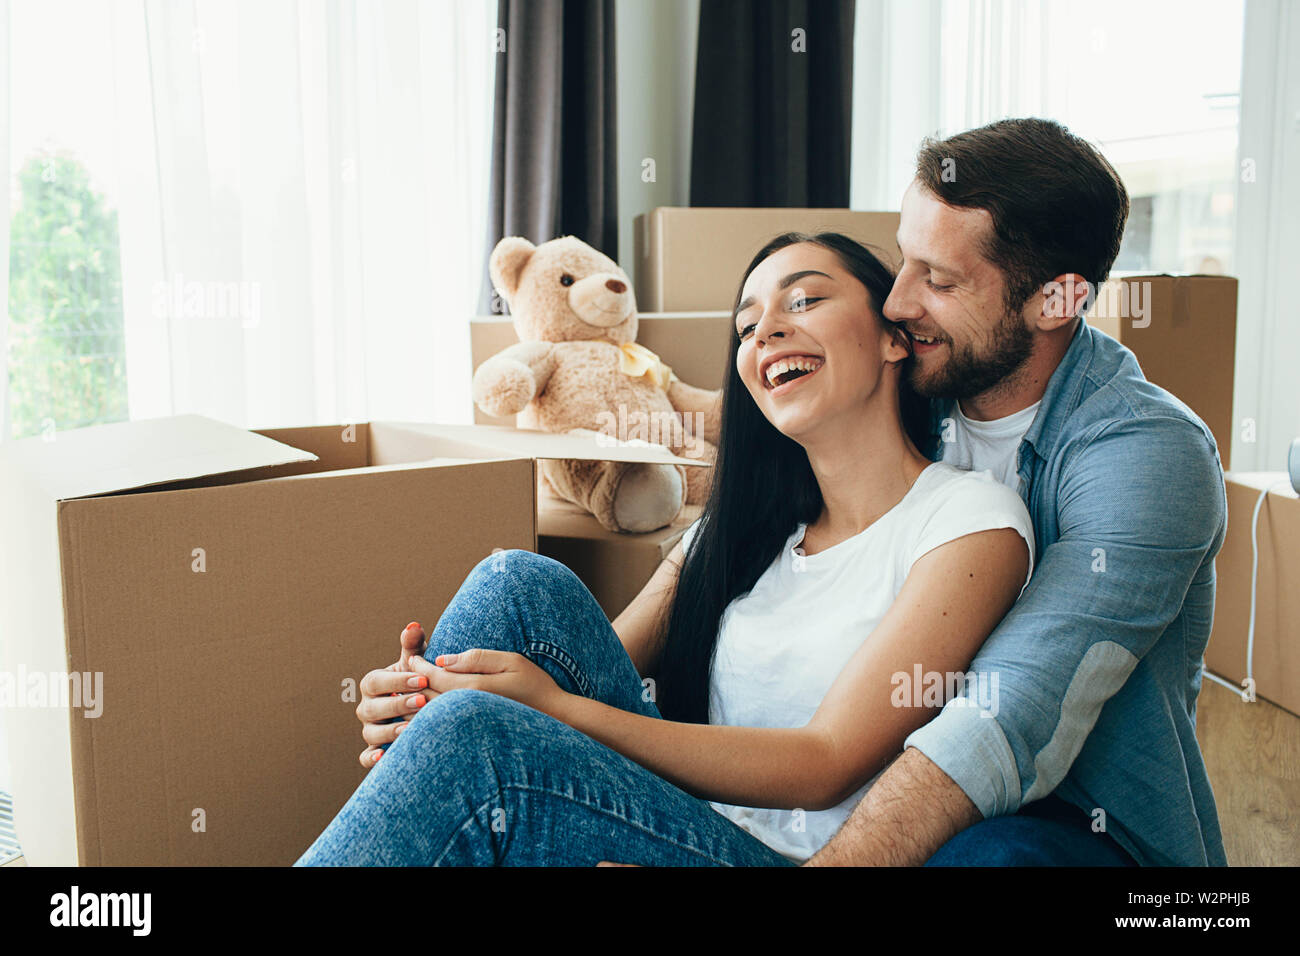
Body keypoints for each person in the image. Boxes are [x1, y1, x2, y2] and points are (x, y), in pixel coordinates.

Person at [295, 230, 1037, 866]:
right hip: (682, 820)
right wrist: (423, 694)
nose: (766, 332)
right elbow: (575, 664)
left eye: (803, 300)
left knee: (477, 734)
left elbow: (827, 762)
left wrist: (541, 710)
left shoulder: (968, 519)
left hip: (785, 859)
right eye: (747, 326)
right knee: (513, 584)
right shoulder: (739, 532)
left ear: (891, 337)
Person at [804, 118, 1228, 867]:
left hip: (1067, 822)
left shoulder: (1149, 453)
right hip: (862, 771)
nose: (897, 303)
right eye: (904, 261)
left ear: (1057, 301)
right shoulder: (908, 385)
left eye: (940, 280)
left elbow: (1016, 706)